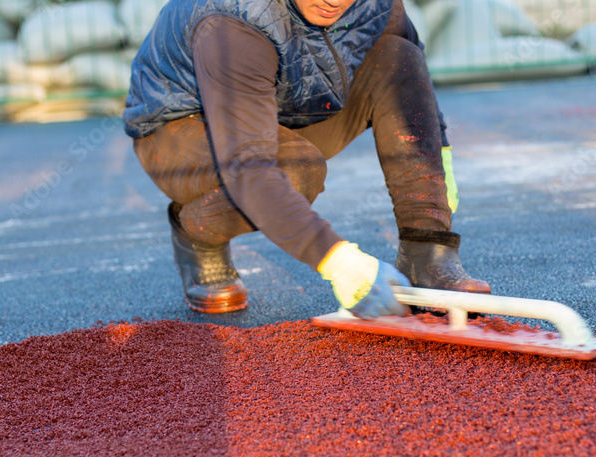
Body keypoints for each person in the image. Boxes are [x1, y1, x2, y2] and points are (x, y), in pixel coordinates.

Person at [124, 0, 491, 317]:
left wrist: (435, 166)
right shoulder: (233, 22)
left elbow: (412, 68)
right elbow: (250, 170)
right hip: (180, 132)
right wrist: (338, 262)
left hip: (285, 106)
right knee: (296, 171)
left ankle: (425, 253)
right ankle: (196, 232)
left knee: (397, 55)